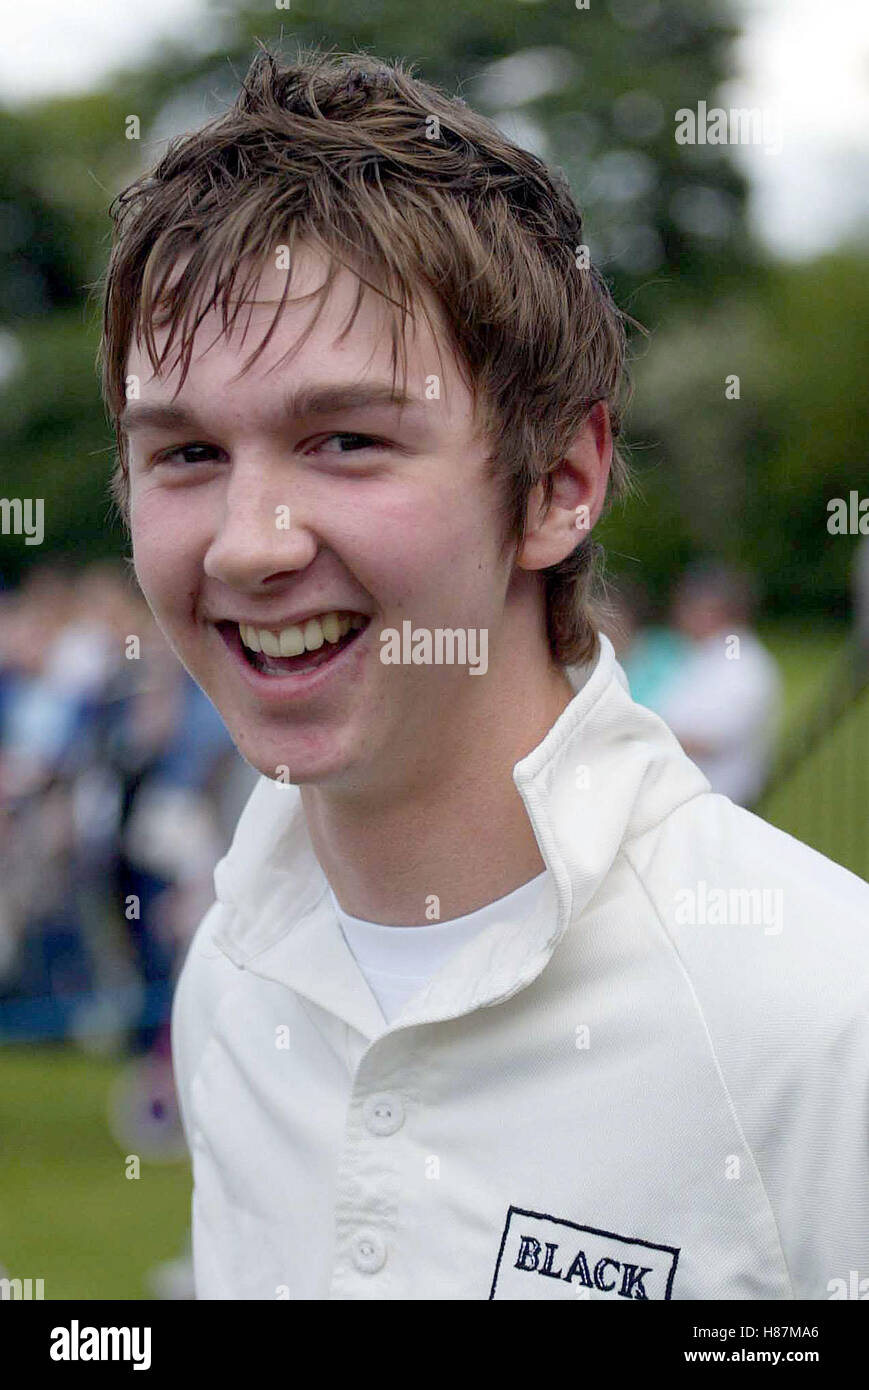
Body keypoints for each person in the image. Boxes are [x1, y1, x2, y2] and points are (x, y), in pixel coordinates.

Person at [97, 45, 869, 1301]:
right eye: (184, 453)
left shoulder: (824, 1020)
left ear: (559, 482)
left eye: (344, 439)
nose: (247, 543)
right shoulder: (235, 967)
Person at [648, 564, 782, 807]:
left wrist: (642, 736)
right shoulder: (704, 655)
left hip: (719, 801)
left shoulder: (743, 664)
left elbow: (710, 739)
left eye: (689, 606)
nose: (680, 616)